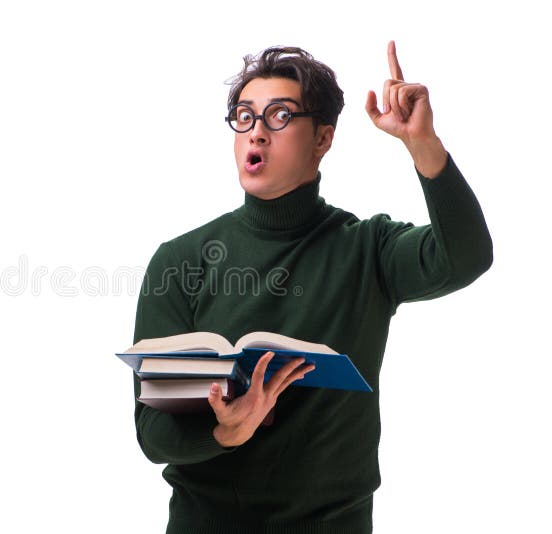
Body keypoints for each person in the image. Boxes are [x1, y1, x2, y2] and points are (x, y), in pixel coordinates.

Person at [131, 41, 492, 533]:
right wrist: (225, 432)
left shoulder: (369, 249)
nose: (256, 131)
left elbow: (467, 255)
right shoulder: (181, 260)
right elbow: (154, 434)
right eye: (244, 116)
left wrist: (422, 144)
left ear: (323, 139)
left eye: (279, 116)